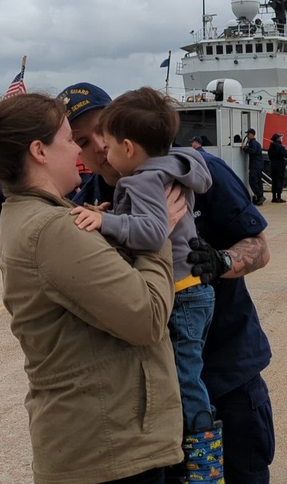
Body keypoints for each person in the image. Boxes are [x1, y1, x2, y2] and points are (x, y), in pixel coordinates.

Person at [0, 93, 185, 483]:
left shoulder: (36, 215)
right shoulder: (52, 229)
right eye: (68, 138)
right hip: (107, 449)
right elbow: (146, 318)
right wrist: (159, 236)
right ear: (39, 151)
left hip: (96, 440)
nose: (80, 148)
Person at [60, 82, 276, 483]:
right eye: (81, 141)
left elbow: (260, 247)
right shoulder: (90, 203)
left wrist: (221, 261)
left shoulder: (196, 173)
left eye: (100, 134)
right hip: (148, 397)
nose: (97, 150)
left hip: (224, 374)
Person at [68, 87, 221, 481]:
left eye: (109, 142)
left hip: (182, 294)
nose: (102, 149)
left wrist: (106, 222)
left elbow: (153, 232)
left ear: (130, 148)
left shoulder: (141, 180)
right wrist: (109, 212)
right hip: (194, 294)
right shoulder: (171, 167)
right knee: (184, 374)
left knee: (185, 378)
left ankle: (205, 461)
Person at [241, 127, 265, 206]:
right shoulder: (256, 143)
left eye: (248, 134)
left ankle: (259, 195)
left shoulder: (253, 143)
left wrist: (244, 148)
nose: (247, 136)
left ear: (252, 134)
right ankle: (260, 197)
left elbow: (252, 151)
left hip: (255, 165)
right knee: (258, 181)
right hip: (259, 165)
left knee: (252, 181)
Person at [267, 132, 287, 203]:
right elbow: (286, 155)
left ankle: (273, 197)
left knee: (274, 181)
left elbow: (269, 156)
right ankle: (279, 197)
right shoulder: (280, 147)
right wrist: (286, 151)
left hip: (273, 165)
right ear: (277, 139)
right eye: (280, 138)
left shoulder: (271, 147)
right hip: (280, 165)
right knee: (280, 180)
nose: (281, 139)